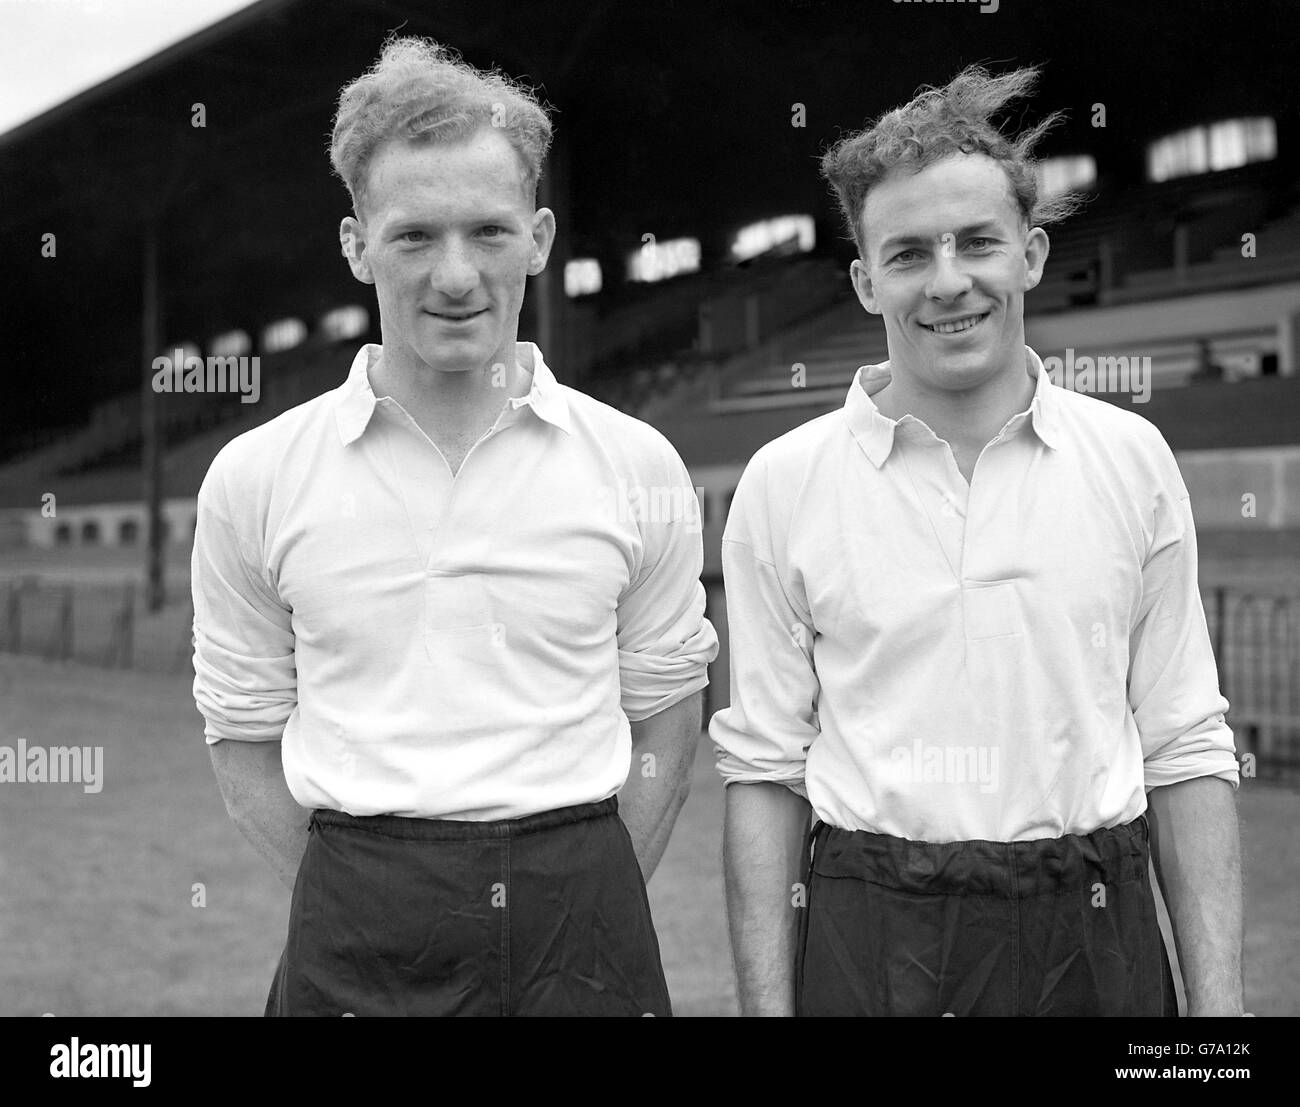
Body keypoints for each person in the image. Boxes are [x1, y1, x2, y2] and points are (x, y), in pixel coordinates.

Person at [192, 36, 717, 1017]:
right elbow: (243, 734)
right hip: (354, 917)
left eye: (487, 231)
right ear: (355, 247)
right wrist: (356, 899)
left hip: (584, 912)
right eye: (413, 236)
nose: (456, 275)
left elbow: (666, 715)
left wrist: (588, 896)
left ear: (541, 237)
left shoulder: (636, 465)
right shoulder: (255, 478)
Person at [710, 65, 1243, 1017]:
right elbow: (764, 769)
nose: (948, 280)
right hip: (871, 930)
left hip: (1093, 927)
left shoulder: (1131, 457)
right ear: (865, 278)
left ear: (1030, 255)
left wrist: (1221, 1018)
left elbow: (1184, 745)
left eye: (977, 243)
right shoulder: (784, 482)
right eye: (909, 253)